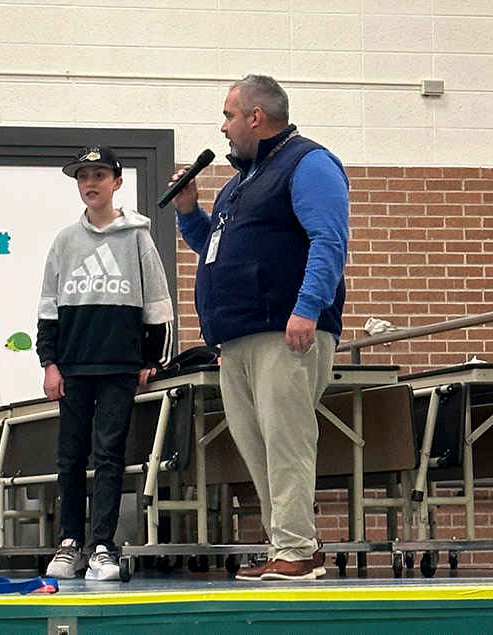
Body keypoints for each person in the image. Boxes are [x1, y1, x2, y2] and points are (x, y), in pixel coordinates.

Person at [169, 74, 349, 581]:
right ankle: (289, 545)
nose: (223, 127)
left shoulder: (308, 163)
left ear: (255, 116)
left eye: (229, 116)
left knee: (286, 441)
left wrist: (307, 308)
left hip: (284, 329)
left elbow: (329, 240)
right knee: (258, 447)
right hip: (238, 336)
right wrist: (189, 212)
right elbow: (217, 249)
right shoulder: (241, 182)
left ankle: (295, 549)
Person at [37, 146, 174, 581]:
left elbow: (158, 303)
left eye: (99, 174)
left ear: (116, 182)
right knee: (70, 458)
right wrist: (49, 362)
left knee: (110, 457)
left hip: (119, 368)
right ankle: (70, 544)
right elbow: (48, 308)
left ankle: (102, 547)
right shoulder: (64, 241)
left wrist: (152, 358)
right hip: (73, 367)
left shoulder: (138, 239)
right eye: (83, 176)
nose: (90, 183)